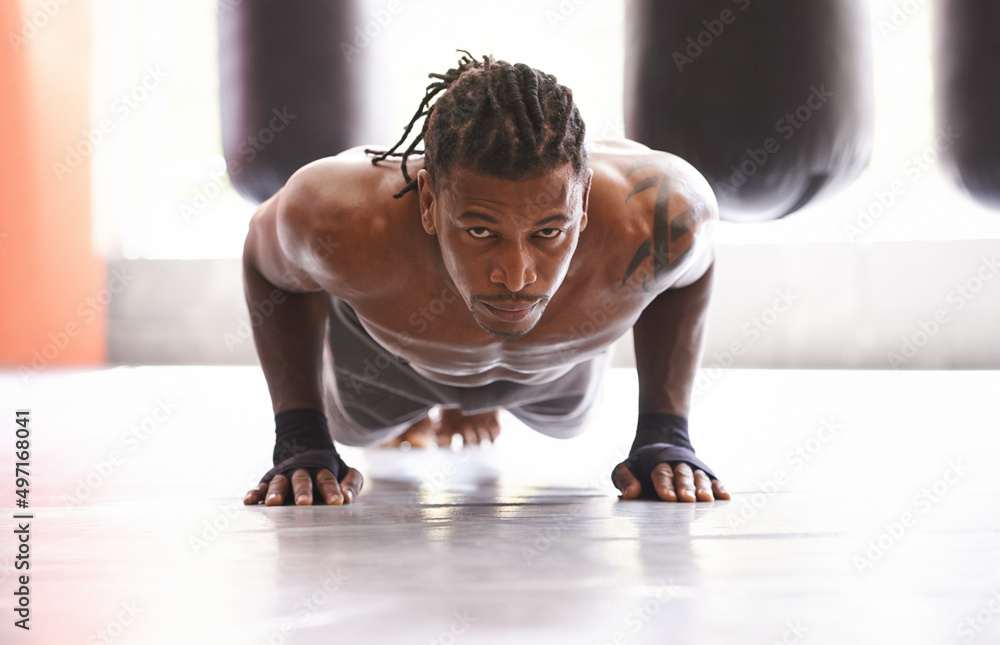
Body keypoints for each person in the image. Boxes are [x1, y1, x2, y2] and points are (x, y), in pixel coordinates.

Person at [241, 52, 730, 507]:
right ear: (429, 201)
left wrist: (666, 432)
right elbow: (269, 271)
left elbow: (689, 275)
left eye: (548, 231)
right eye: (479, 229)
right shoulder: (334, 215)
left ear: (582, 203)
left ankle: (473, 404)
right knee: (361, 431)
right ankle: (421, 416)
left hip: (554, 379)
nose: (516, 276)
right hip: (391, 366)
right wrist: (299, 433)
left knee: (569, 424)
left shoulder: (661, 212)